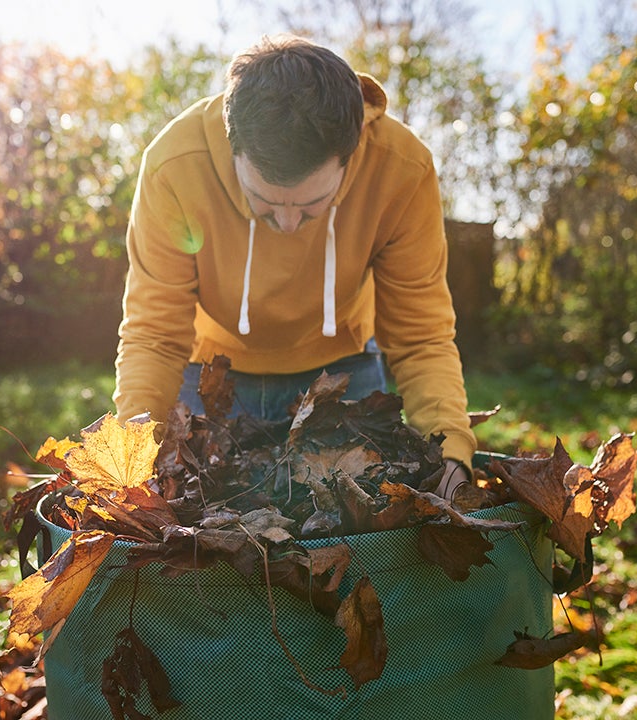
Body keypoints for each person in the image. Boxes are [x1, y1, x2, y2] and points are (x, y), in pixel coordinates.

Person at [113, 35, 476, 500]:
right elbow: (154, 333)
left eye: (311, 205)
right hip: (209, 375)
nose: (286, 223)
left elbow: (420, 334)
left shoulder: (403, 169)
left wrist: (449, 451)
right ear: (233, 147)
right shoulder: (173, 166)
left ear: (352, 154)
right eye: (263, 201)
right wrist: (130, 456)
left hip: (343, 374)